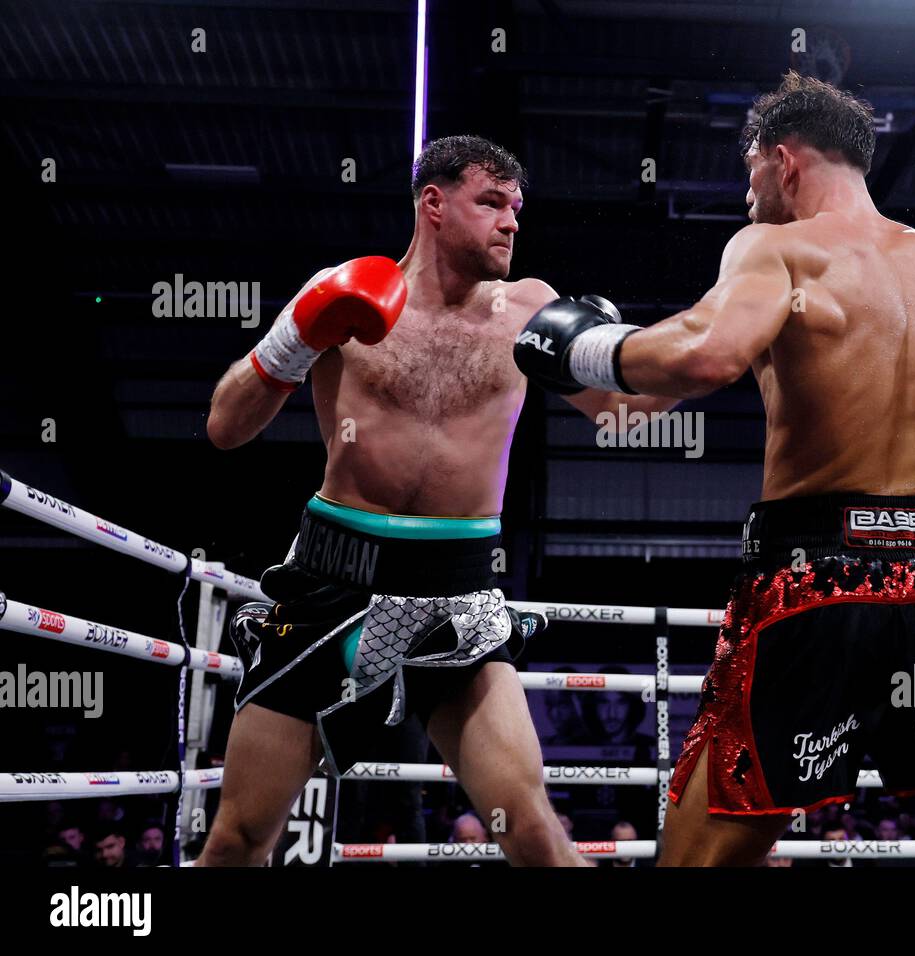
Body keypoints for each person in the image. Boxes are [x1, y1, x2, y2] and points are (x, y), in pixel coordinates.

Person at [515, 72, 915, 867]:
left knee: (695, 859)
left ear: (783, 161)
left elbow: (705, 354)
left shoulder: (776, 248)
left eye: (749, 171)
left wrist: (578, 345)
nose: (747, 194)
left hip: (813, 587)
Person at [198, 135, 672, 867]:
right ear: (434, 203)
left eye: (517, 207)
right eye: (491, 203)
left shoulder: (531, 310)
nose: (512, 221)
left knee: (535, 833)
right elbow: (226, 428)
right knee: (237, 840)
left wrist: (705, 346)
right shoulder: (344, 293)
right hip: (330, 581)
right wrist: (295, 336)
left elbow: (629, 412)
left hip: (456, 596)